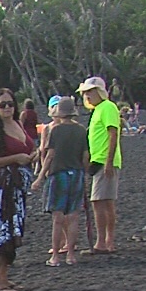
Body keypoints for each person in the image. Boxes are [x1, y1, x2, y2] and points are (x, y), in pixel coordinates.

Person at [0, 89, 37, 291]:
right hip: (2, 185)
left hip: (18, 186)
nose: (7, 108)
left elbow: (26, 149)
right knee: (0, 230)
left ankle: (4, 278)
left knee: (13, 230)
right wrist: (16, 158)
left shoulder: (18, 124)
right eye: (2, 105)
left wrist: (31, 156)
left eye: (10, 104)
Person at [32, 96, 90, 267]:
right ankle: (71, 255)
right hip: (76, 174)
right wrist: (85, 172)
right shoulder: (81, 130)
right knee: (73, 217)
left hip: (59, 175)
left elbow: (50, 155)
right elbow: (85, 156)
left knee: (57, 218)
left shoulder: (55, 130)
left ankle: (56, 256)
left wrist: (40, 176)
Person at [78, 76, 122, 254]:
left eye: (90, 91)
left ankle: (104, 242)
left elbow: (113, 134)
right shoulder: (97, 110)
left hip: (105, 161)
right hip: (98, 161)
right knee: (103, 202)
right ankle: (104, 241)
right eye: (85, 93)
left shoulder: (108, 107)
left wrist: (109, 162)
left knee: (101, 202)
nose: (87, 96)